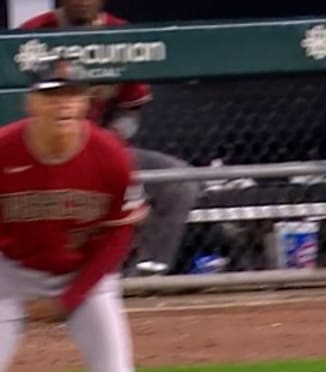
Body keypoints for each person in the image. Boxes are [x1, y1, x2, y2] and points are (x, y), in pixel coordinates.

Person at [0, 55, 180, 372]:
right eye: (52, 95)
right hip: (9, 274)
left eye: (72, 95)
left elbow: (118, 236)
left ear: (86, 103)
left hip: (85, 276)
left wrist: (71, 297)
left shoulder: (108, 155)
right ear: (31, 101)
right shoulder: (3, 150)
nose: (63, 104)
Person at [20, 1, 199, 275]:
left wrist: (109, 141)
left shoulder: (119, 33)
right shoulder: (33, 33)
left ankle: (147, 274)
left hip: (101, 148)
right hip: (45, 153)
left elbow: (130, 109)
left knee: (179, 181)